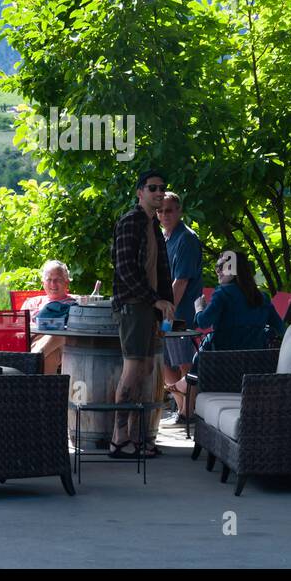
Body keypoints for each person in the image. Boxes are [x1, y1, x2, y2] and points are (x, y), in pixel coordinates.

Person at [169, 248, 285, 418]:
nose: (217, 269)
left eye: (222, 265)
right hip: (255, 365)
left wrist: (199, 308)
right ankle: (182, 390)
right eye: (217, 266)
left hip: (220, 364)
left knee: (198, 358)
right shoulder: (262, 297)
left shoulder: (223, 294)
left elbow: (203, 322)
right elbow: (280, 329)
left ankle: (185, 400)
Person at [108, 169, 175, 458]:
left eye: (162, 188)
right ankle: (118, 439)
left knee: (146, 370)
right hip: (134, 305)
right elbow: (125, 269)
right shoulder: (131, 221)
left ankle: (135, 437)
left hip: (148, 308)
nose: (159, 193)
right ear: (140, 193)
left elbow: (160, 271)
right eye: (152, 188)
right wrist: (154, 300)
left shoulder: (154, 226)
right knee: (133, 369)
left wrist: (165, 304)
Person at [158, 192, 203, 420]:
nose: (164, 215)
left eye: (169, 210)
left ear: (179, 211)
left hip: (180, 316)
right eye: (160, 210)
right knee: (164, 360)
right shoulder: (165, 237)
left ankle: (189, 411)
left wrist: (164, 312)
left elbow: (181, 281)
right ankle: (181, 407)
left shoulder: (186, 239)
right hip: (168, 314)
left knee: (184, 362)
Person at [21, 260, 78, 375]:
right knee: (51, 353)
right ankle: (47, 391)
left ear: (67, 283)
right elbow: (19, 326)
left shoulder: (75, 303)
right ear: (43, 283)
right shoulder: (32, 302)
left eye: (58, 280)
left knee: (58, 334)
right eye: (49, 279)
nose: (53, 284)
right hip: (34, 341)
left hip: (65, 346)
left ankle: (34, 359)